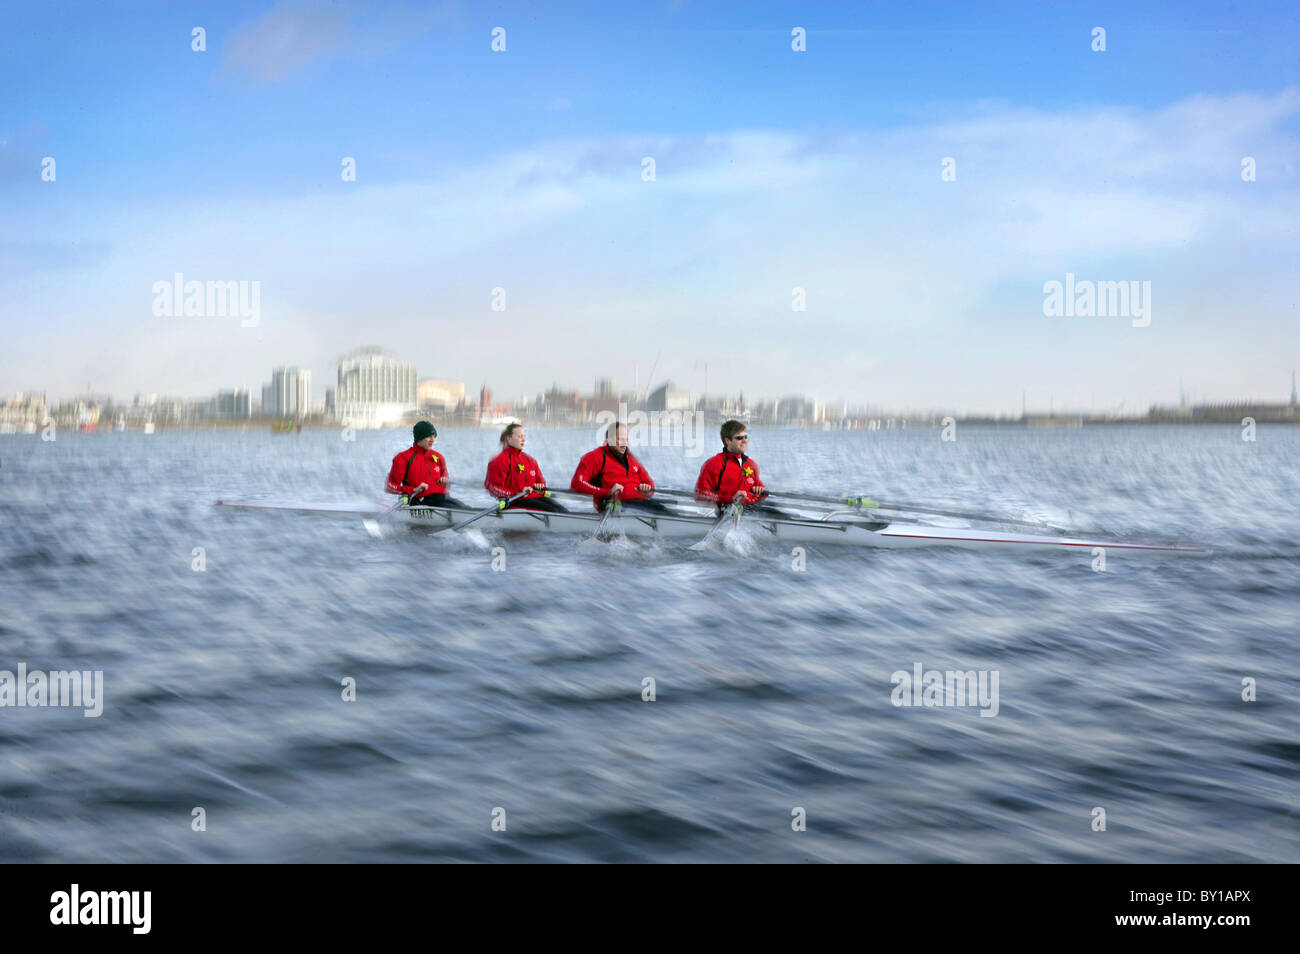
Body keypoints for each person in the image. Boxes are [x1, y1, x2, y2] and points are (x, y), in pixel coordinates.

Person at [694, 420, 791, 517]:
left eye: (745, 437)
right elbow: (700, 494)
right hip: (729, 510)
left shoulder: (751, 464)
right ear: (727, 441)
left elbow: (758, 487)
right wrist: (731, 498)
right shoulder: (714, 464)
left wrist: (760, 490)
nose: (744, 440)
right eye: (739, 438)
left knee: (781, 511)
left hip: (752, 508)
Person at [571, 422, 672, 514]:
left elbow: (650, 484)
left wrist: (647, 490)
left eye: (626, 439)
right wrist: (608, 492)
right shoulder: (594, 457)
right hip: (614, 504)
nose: (624, 443)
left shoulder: (631, 458)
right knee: (659, 514)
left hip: (639, 502)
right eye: (620, 439)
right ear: (609, 439)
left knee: (666, 512)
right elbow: (577, 483)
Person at [484, 422, 568, 512]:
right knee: (554, 511)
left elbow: (541, 482)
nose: (523, 440)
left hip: (535, 498)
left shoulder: (531, 460)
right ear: (508, 439)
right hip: (514, 501)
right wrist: (517, 493)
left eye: (524, 436)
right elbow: (493, 488)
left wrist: (540, 486)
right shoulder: (498, 461)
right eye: (519, 436)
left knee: (563, 510)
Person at [386, 421, 469, 508]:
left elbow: (446, 482)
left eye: (434, 437)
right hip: (419, 501)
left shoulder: (438, 457)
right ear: (419, 438)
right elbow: (390, 486)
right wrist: (414, 489)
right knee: (460, 509)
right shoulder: (403, 458)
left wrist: (444, 481)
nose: (432, 440)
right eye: (429, 437)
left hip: (442, 499)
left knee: (466, 508)